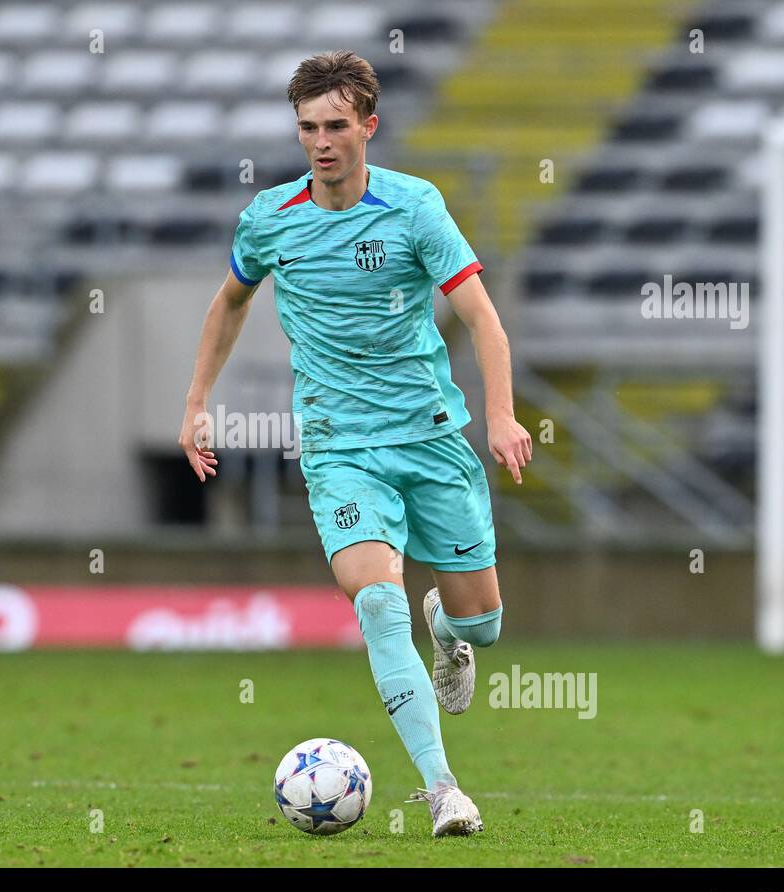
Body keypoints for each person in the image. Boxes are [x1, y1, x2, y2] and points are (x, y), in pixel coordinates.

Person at [177, 52, 532, 836]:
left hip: (431, 436)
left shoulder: (415, 208)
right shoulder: (272, 217)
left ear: (369, 126)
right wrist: (198, 399)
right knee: (376, 601)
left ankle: (448, 630)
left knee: (485, 624)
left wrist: (500, 416)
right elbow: (229, 302)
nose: (321, 141)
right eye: (308, 127)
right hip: (340, 448)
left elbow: (482, 317)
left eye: (336, 125)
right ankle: (444, 789)